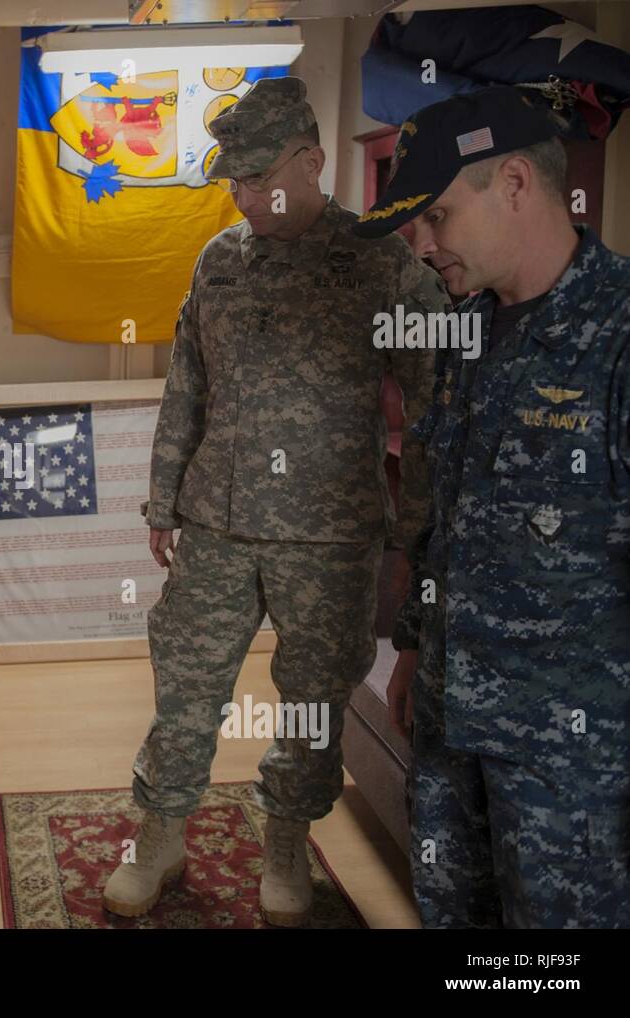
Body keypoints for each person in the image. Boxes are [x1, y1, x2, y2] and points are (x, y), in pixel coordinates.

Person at [103, 76, 450, 923]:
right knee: (184, 687)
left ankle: (287, 842)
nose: (245, 195)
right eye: (235, 180)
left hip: (328, 539)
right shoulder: (218, 261)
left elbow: (439, 396)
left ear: (312, 160)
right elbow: (186, 386)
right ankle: (162, 835)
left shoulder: (379, 262)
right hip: (216, 525)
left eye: (260, 177)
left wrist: (420, 536)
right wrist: (161, 502)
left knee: (311, 698)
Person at [357, 84, 630, 929]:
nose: (420, 240)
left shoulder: (616, 337)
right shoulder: (467, 335)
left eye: (436, 215)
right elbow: (439, 518)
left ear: (515, 183)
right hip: (450, 733)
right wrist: (409, 650)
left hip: (569, 767)